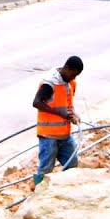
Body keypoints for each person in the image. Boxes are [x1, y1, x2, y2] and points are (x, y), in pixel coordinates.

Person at [32, 56, 83, 187]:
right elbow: (37, 102)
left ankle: (66, 190)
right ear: (67, 68)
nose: (74, 78)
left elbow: (68, 104)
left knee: (72, 163)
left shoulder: (71, 83)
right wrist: (60, 113)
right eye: (73, 74)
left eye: (76, 76)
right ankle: (38, 193)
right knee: (46, 168)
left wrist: (73, 115)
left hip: (64, 134)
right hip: (48, 135)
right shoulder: (50, 82)